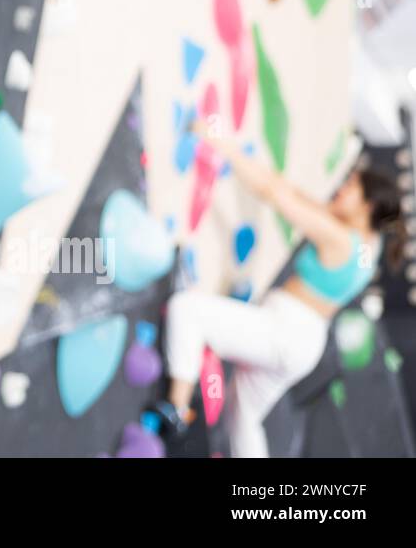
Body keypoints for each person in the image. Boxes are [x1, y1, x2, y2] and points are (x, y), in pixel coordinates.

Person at [154, 122, 405, 458]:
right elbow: (292, 194)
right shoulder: (367, 248)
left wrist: (219, 142)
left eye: (351, 186)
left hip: (286, 331)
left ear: (367, 207)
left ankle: (178, 410)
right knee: (242, 413)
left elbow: (275, 193)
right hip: (302, 342)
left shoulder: (342, 239)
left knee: (188, 310)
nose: (342, 188)